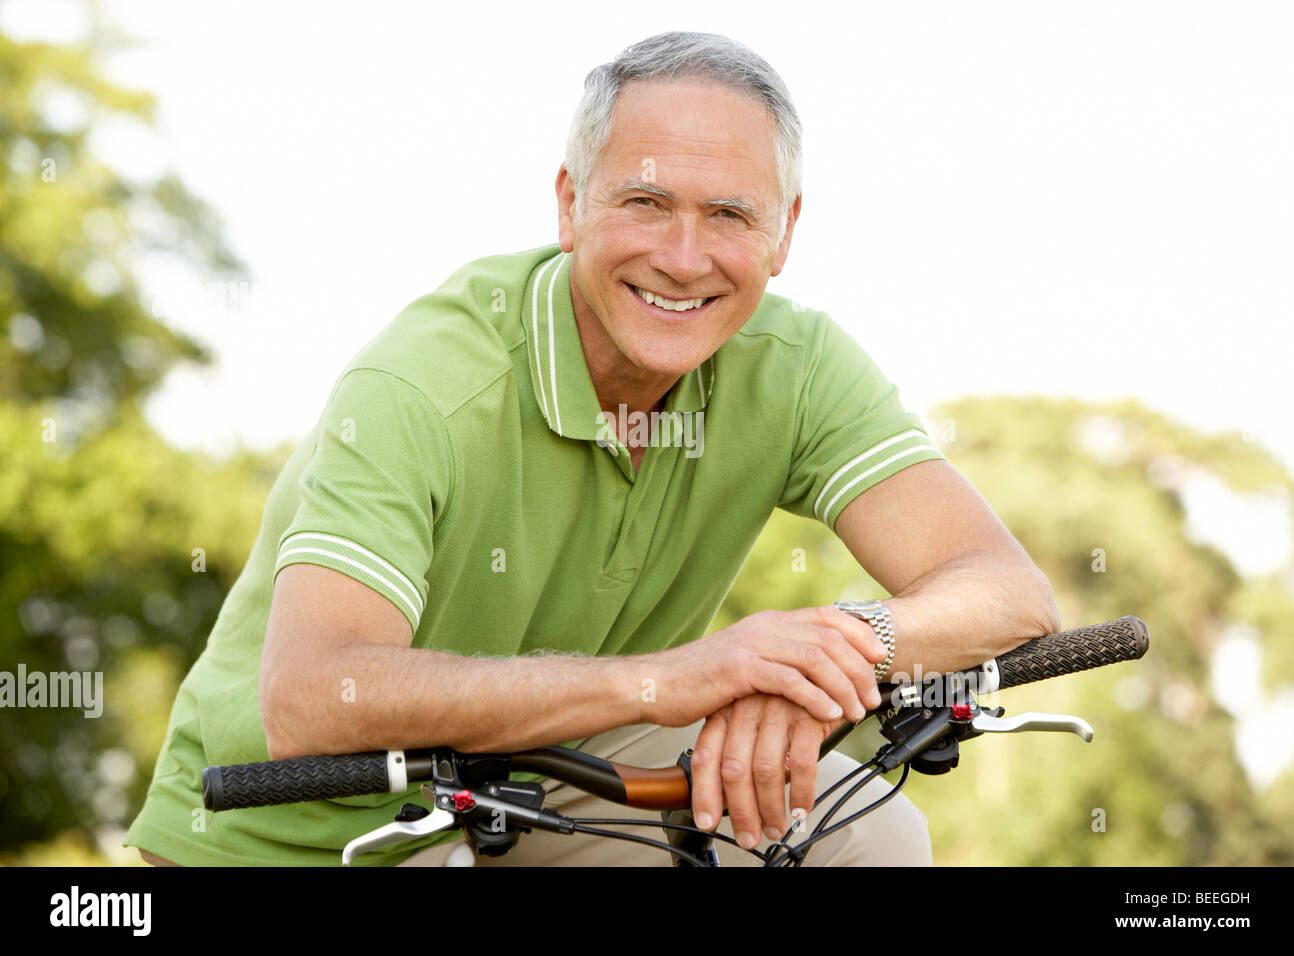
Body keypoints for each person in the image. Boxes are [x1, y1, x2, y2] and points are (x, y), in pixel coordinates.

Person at [125, 30, 1061, 867]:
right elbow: (311, 697)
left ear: (785, 233)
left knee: (865, 826)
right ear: (570, 205)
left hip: (540, 787)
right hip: (281, 831)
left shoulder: (797, 363)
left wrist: (822, 659)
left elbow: (1007, 592)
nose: (685, 257)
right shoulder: (424, 382)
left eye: (731, 215)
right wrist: (673, 680)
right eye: (647, 202)